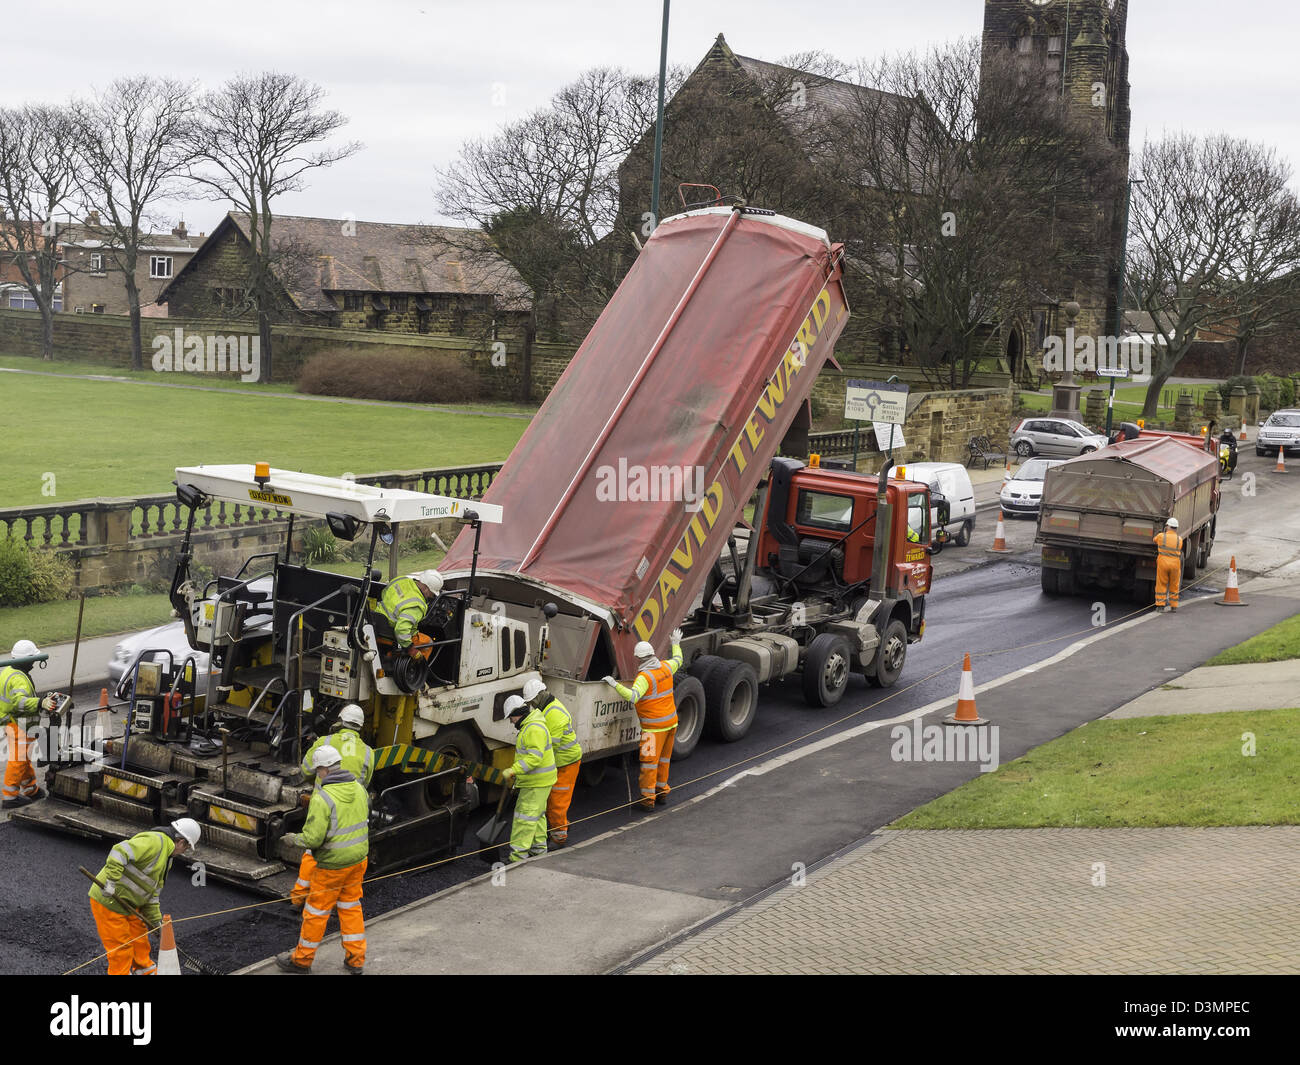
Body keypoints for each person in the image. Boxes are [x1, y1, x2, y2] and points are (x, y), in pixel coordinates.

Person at [277, 745, 369, 975]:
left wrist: (292, 839)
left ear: (323, 769)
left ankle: (302, 961)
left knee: (316, 914)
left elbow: (314, 839)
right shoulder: (359, 788)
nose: (317, 774)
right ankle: (356, 960)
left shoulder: (322, 798)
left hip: (332, 867)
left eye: (318, 770)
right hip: (358, 861)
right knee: (351, 909)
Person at [88, 818, 201, 975]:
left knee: (140, 938)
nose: (184, 852)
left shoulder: (167, 859)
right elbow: (119, 851)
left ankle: (145, 971)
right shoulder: (154, 842)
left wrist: (156, 923)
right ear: (181, 841)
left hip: (130, 904)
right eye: (186, 848)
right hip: (109, 901)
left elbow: (152, 895)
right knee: (121, 948)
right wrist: (111, 882)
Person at [291, 703, 374, 909]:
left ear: (340, 721)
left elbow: (306, 770)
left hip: (324, 805)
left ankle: (299, 897)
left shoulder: (324, 741)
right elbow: (366, 782)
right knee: (343, 855)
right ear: (360, 726)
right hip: (351, 810)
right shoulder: (368, 752)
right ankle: (339, 898)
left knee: (313, 851)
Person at [603, 629, 683, 810]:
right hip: (671, 725)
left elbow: (633, 697)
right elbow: (679, 660)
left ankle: (647, 800)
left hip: (653, 731)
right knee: (664, 761)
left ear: (638, 659)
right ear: (652, 654)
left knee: (649, 764)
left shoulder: (644, 677)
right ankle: (662, 793)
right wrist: (675, 643)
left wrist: (614, 684)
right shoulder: (665, 667)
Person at [521, 677, 582, 848]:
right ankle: (561, 825)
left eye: (532, 701)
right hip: (561, 761)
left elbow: (548, 747)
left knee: (557, 801)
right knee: (552, 799)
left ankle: (559, 837)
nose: (531, 704)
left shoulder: (553, 713)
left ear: (539, 696)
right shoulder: (546, 708)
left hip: (566, 763)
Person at [1, 639, 58, 807]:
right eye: (33, 659)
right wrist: (40, 703)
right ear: (26, 660)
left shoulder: (8, 671)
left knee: (24, 759)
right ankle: (10, 797)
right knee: (18, 760)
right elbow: (18, 703)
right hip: (17, 724)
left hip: (11, 723)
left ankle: (31, 789)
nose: (34, 662)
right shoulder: (19, 678)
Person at [501, 694, 556, 862]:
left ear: (518, 713)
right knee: (536, 816)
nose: (511, 721)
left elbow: (534, 758)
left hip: (536, 783)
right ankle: (538, 851)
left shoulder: (533, 729)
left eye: (511, 717)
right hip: (538, 781)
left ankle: (517, 857)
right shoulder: (531, 725)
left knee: (524, 818)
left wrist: (513, 770)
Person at [376, 569, 442, 651]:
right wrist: (410, 648)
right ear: (426, 589)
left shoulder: (401, 580)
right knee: (428, 643)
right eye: (432, 594)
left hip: (377, 625)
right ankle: (418, 663)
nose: (431, 597)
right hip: (391, 634)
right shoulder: (417, 605)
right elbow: (401, 630)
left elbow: (384, 593)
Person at [1153, 517, 1184, 613]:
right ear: (1176, 528)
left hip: (1163, 563)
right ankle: (1173, 606)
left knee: (1161, 584)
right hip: (1175, 565)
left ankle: (1160, 606)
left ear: (1167, 526)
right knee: (1174, 585)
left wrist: (1162, 532)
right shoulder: (1180, 539)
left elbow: (1154, 540)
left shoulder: (1161, 536)